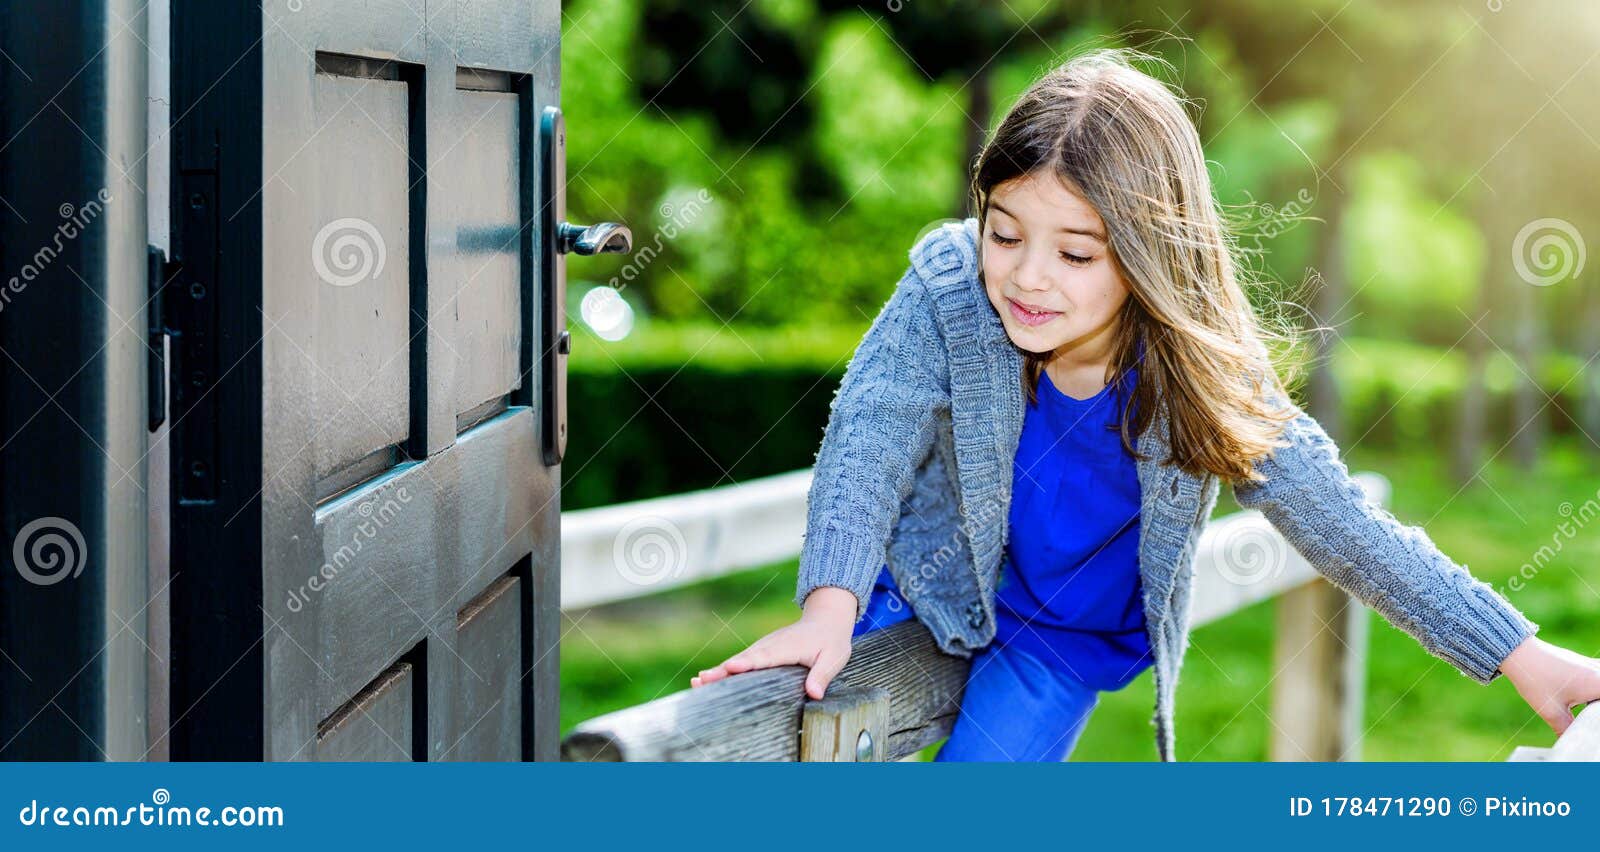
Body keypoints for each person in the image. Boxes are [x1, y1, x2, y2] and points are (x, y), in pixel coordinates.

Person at [691, 47, 1600, 762]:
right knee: (798, 738)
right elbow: (868, 437)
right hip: (928, 581)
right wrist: (829, 606)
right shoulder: (947, 286)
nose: (1028, 276)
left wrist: (1521, 654)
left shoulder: (1203, 373)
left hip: (1059, 641)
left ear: (1149, 253)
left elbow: (1345, 528)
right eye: (1004, 233)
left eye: (1078, 255)